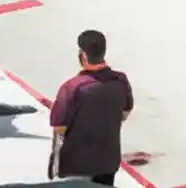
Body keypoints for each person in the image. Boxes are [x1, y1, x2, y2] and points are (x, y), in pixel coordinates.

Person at [49, 30, 134, 186]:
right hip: (108, 161)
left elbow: (59, 127)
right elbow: (125, 111)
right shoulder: (120, 80)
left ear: (83, 56)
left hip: (76, 165)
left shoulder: (71, 88)